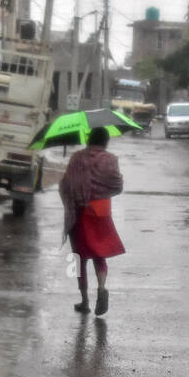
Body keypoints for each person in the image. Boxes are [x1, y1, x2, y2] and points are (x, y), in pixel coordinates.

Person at [59, 127, 125, 315]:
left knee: (80, 259)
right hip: (101, 212)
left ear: (89, 139)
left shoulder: (77, 158)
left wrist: (74, 197)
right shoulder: (110, 159)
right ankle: (102, 287)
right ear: (105, 141)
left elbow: (67, 184)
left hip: (80, 213)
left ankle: (85, 301)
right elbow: (117, 186)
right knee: (99, 253)